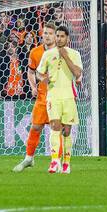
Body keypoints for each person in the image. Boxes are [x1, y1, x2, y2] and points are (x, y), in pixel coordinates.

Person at [37, 24, 84, 174]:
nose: (58, 38)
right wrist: (44, 78)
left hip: (69, 96)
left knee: (67, 131)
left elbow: (77, 73)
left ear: (68, 38)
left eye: (62, 36)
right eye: (57, 36)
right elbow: (38, 73)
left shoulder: (75, 54)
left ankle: (66, 162)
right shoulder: (48, 54)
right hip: (53, 96)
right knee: (55, 127)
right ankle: (54, 161)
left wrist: (65, 56)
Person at [13, 23, 55, 172]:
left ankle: (57, 161)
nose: (47, 36)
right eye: (45, 33)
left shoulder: (61, 52)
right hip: (43, 96)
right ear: (42, 35)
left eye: (50, 33)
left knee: (59, 130)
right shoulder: (35, 52)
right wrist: (32, 86)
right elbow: (31, 72)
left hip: (58, 96)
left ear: (55, 35)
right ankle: (29, 158)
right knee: (36, 126)